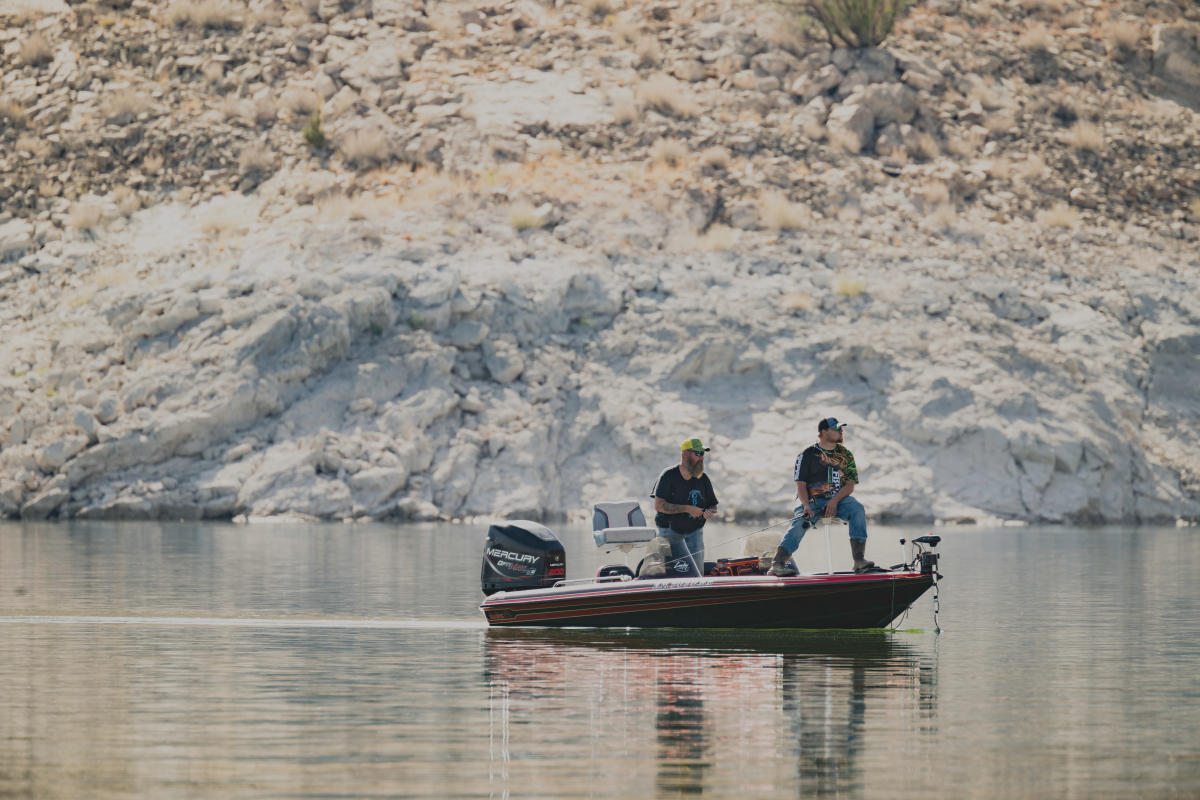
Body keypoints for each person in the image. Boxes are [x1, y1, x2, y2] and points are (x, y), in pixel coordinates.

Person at [769, 417, 875, 576]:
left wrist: (834, 501)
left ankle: (859, 561)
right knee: (801, 522)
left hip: (838, 500)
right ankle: (778, 564)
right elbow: (801, 485)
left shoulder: (846, 455)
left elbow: (850, 485)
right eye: (836, 429)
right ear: (824, 432)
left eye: (841, 429)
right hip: (810, 501)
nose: (841, 431)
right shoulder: (807, 454)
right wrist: (806, 505)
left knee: (857, 509)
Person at [651, 438, 719, 577]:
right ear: (685, 454)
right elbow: (659, 505)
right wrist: (687, 509)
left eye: (703, 454)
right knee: (669, 575)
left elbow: (713, 504)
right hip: (669, 533)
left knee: (697, 575)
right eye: (698, 453)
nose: (701, 457)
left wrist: (709, 512)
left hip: (695, 534)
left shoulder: (703, 478)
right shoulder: (668, 475)